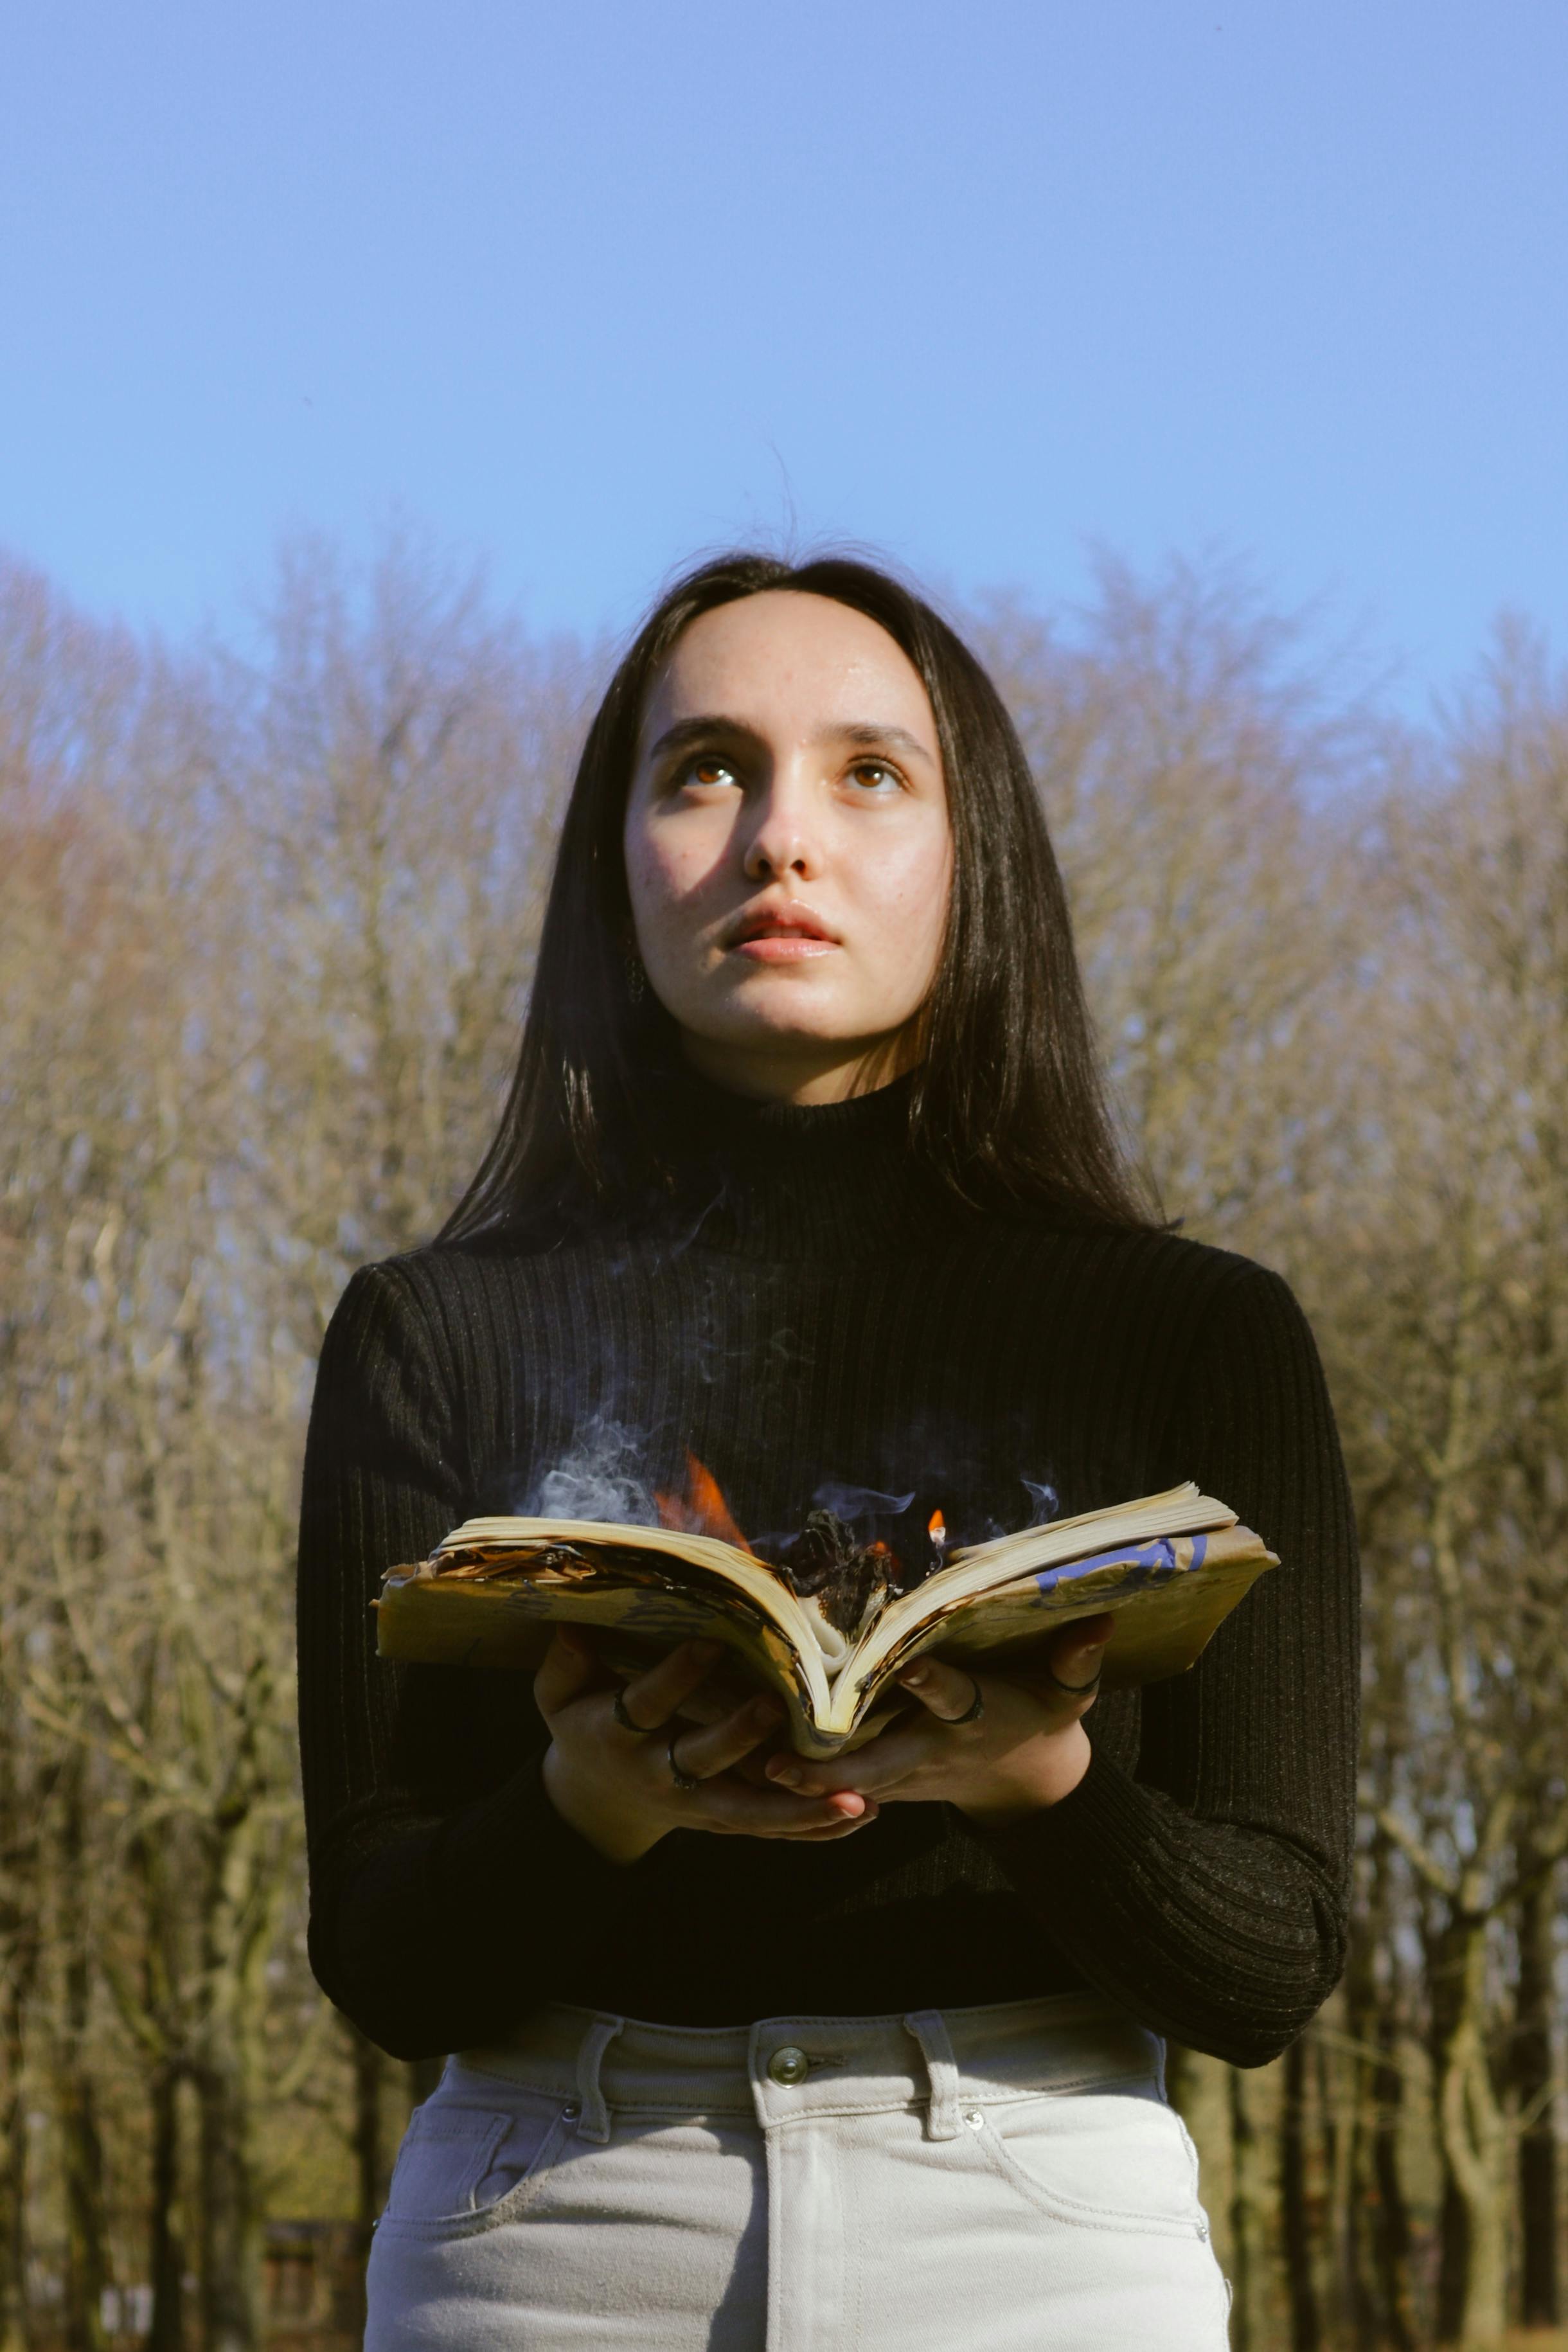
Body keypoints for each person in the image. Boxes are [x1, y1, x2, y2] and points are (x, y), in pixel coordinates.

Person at [296, 553, 1359, 2351]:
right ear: (613, 850)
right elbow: (389, 1964)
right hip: (554, 2227)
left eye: (870, 771)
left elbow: (1270, 1963)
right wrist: (599, 1800)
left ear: (975, 851)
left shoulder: (1197, 1328)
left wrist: (1044, 1780)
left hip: (1034, 2228)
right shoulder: (429, 1330)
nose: (777, 834)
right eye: (702, 765)